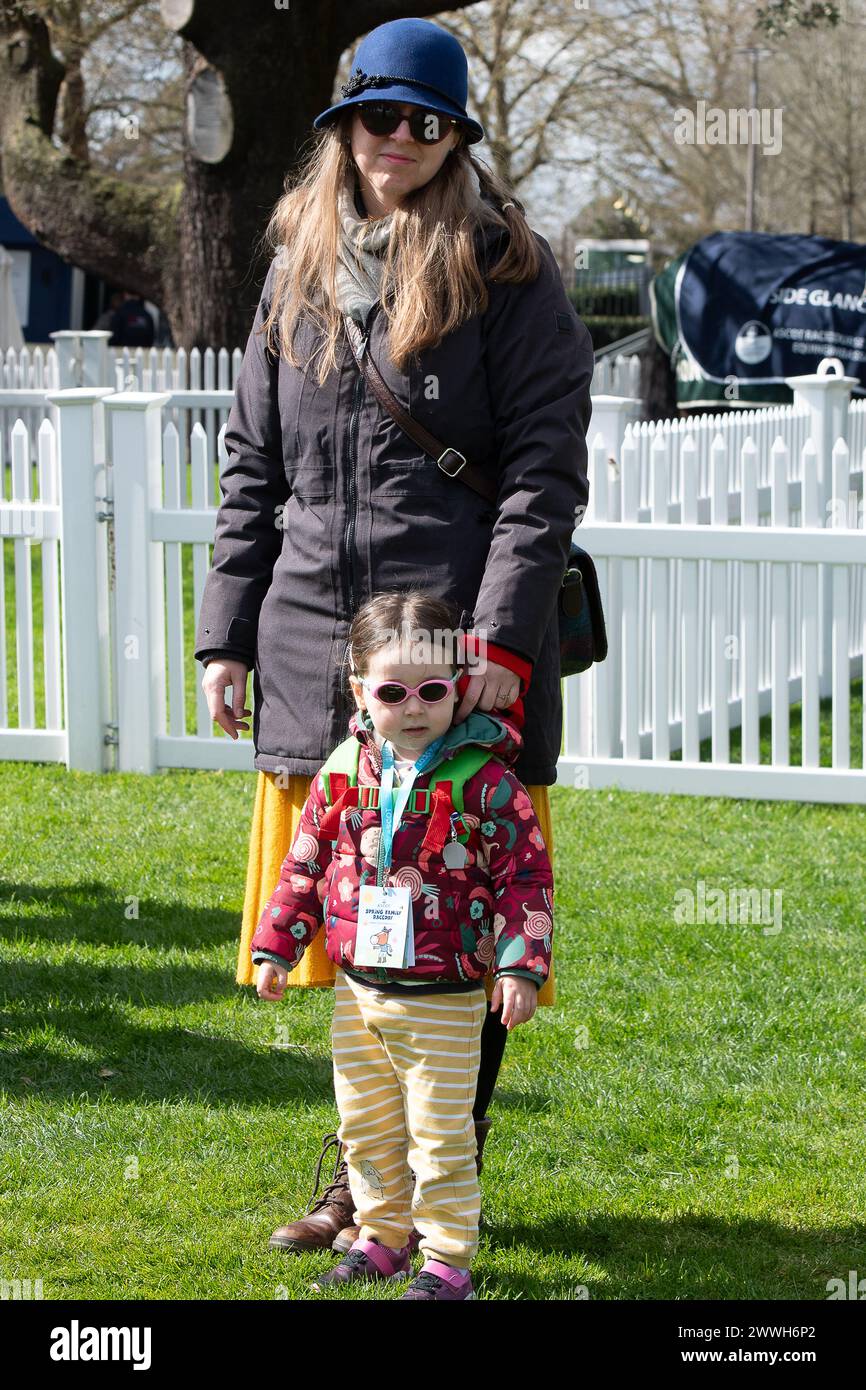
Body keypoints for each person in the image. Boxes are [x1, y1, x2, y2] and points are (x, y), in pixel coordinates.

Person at [194, 16, 593, 1253]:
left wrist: (500, 648)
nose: (400, 143)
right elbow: (251, 466)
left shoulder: (504, 267)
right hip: (322, 649)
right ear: (341, 128)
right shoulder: (292, 270)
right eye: (379, 119)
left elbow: (541, 477)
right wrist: (228, 636)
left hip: (452, 660)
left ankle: (431, 1188)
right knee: (357, 935)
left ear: (454, 136)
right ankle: (367, 1185)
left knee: (448, 941)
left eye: (427, 123)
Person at [252, 591, 554, 1300]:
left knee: (441, 1135)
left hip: (444, 999)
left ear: (459, 687)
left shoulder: (486, 781)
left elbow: (527, 878)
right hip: (360, 994)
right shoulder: (342, 770)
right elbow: (304, 863)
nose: (413, 706)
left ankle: (448, 1260)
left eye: (432, 690)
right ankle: (383, 1238)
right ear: (360, 690)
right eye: (393, 691)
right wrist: (277, 945)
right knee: (367, 1127)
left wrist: (521, 965)